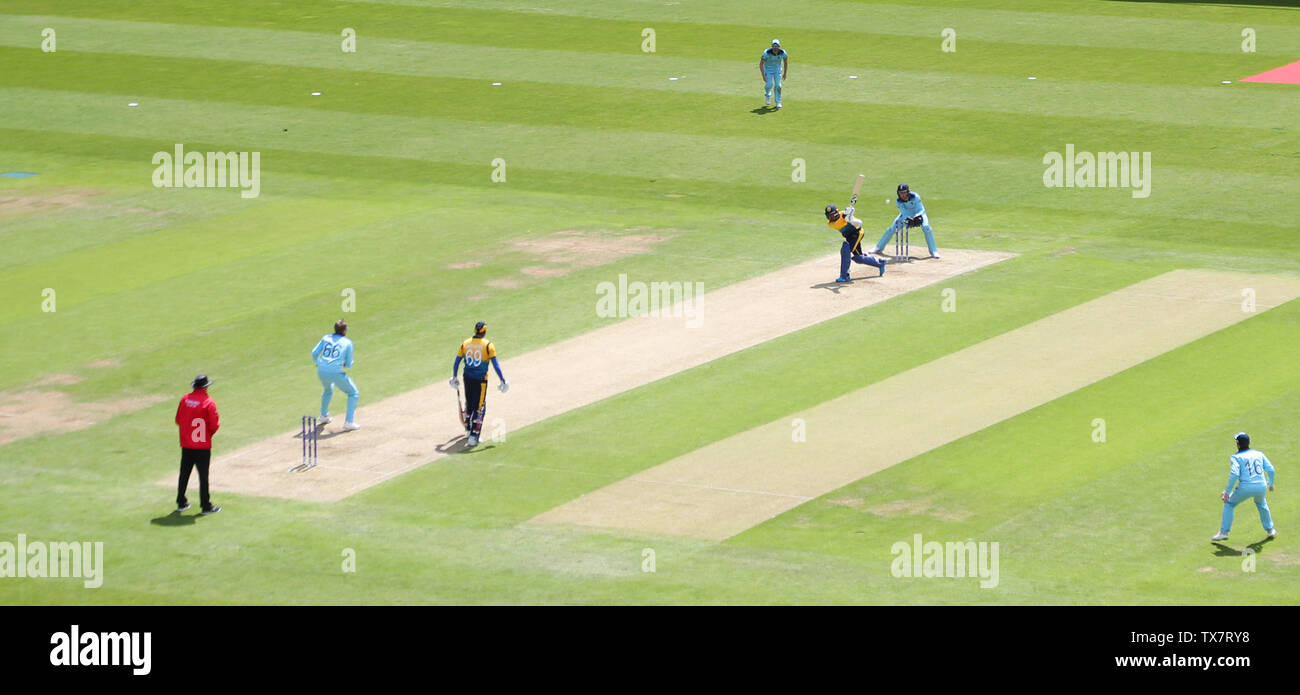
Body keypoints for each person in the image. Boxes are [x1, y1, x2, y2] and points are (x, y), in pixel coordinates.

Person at [450, 321, 509, 447]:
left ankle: (468, 429)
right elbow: (496, 365)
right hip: (480, 380)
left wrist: (454, 376)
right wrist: (502, 379)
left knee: (470, 404)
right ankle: (473, 436)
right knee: (480, 407)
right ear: (484, 332)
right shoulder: (488, 345)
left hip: (467, 378)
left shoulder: (465, 343)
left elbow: (457, 362)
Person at [1212, 432, 1277, 541]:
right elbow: (1271, 469)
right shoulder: (1259, 454)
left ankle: (1224, 532)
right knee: (1261, 503)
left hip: (1245, 487)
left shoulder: (1236, 457)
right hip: (1261, 486)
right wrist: (1270, 483)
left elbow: (1234, 474)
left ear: (1238, 444)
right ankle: (1270, 530)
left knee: (1229, 503)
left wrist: (1227, 492)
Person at [174, 374, 221, 515]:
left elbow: (178, 420)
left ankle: (181, 502)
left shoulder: (185, 400)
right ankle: (205, 506)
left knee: (184, 473)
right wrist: (206, 435)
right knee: (203, 477)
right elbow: (214, 425)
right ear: (206, 387)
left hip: (187, 444)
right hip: (202, 446)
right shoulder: (209, 403)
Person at [312, 319, 360, 431]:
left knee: (328, 389)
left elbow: (314, 353)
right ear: (344, 331)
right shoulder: (348, 342)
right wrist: (346, 363)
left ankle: (323, 416)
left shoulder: (326, 338)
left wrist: (318, 363)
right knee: (353, 393)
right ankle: (349, 422)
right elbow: (348, 365)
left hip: (321, 371)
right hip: (335, 372)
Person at [871, 184, 940, 259]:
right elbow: (904, 213)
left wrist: (917, 216)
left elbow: (920, 209)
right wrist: (908, 218)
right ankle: (878, 247)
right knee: (891, 229)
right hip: (906, 216)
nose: (902, 195)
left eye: (904, 192)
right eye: (901, 193)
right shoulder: (898, 201)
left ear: (908, 192)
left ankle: (933, 251)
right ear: (898, 193)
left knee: (926, 227)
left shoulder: (916, 196)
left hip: (920, 214)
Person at [825, 203, 886, 283]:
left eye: (832, 215)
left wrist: (851, 218)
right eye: (829, 216)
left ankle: (845, 276)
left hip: (857, 233)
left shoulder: (844, 214)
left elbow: (860, 223)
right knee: (858, 258)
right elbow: (841, 221)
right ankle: (880, 263)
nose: (831, 217)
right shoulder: (831, 224)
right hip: (849, 236)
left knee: (845, 249)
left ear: (836, 213)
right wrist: (848, 218)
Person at [758, 39, 788, 109]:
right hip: (768, 70)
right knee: (769, 85)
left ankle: (778, 102)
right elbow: (761, 64)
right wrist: (763, 76)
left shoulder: (783, 53)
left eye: (777, 46)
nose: (775, 48)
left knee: (778, 85)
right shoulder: (766, 53)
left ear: (779, 46)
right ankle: (768, 95)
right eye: (774, 46)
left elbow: (785, 63)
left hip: (777, 70)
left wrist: (785, 73)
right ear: (772, 46)